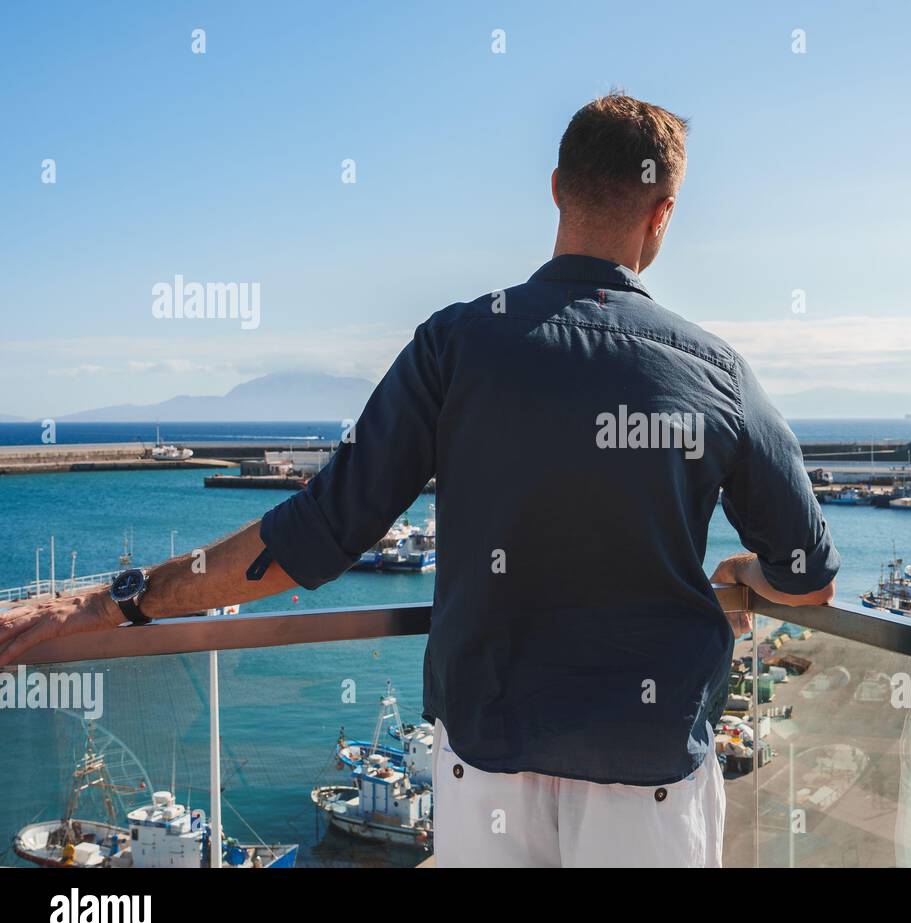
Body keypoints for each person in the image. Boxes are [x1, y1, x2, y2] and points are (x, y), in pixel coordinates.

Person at [0, 93, 839, 867]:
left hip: (488, 776)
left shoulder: (457, 346)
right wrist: (743, 575)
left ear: (556, 190)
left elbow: (312, 537)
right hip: (649, 773)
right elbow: (808, 576)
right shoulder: (714, 371)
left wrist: (113, 603)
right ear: (663, 215)